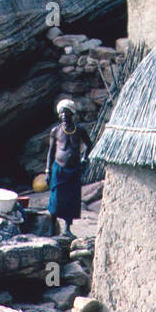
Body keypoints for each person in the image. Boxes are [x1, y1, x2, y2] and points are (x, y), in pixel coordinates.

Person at [44, 98, 91, 236]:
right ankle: (52, 228)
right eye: (61, 113)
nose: (63, 116)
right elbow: (51, 152)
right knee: (56, 198)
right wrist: (47, 171)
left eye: (66, 113)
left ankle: (67, 229)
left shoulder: (80, 130)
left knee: (71, 198)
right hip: (59, 169)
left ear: (72, 114)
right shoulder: (56, 131)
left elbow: (89, 144)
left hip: (74, 169)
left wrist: (84, 158)